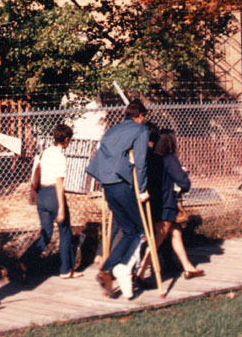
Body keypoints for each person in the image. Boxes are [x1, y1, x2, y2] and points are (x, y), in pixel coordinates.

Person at [85, 98, 150, 299]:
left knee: (128, 229)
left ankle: (106, 269)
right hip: (121, 182)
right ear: (140, 116)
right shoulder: (140, 131)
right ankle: (117, 268)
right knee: (139, 230)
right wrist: (142, 189)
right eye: (143, 118)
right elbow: (141, 162)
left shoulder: (112, 130)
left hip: (106, 183)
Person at [136, 129, 203, 283]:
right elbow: (183, 182)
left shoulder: (150, 159)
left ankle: (188, 268)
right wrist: (184, 176)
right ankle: (140, 273)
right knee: (157, 240)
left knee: (175, 233)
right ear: (169, 142)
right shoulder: (169, 159)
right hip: (166, 204)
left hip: (153, 203)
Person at [22, 123, 79, 279]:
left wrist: (35, 193)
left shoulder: (46, 152)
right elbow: (59, 183)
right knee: (65, 232)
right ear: (66, 139)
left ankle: (25, 259)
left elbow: (37, 172)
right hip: (54, 194)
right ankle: (65, 269)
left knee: (46, 233)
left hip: (42, 194)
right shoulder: (60, 157)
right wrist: (61, 208)